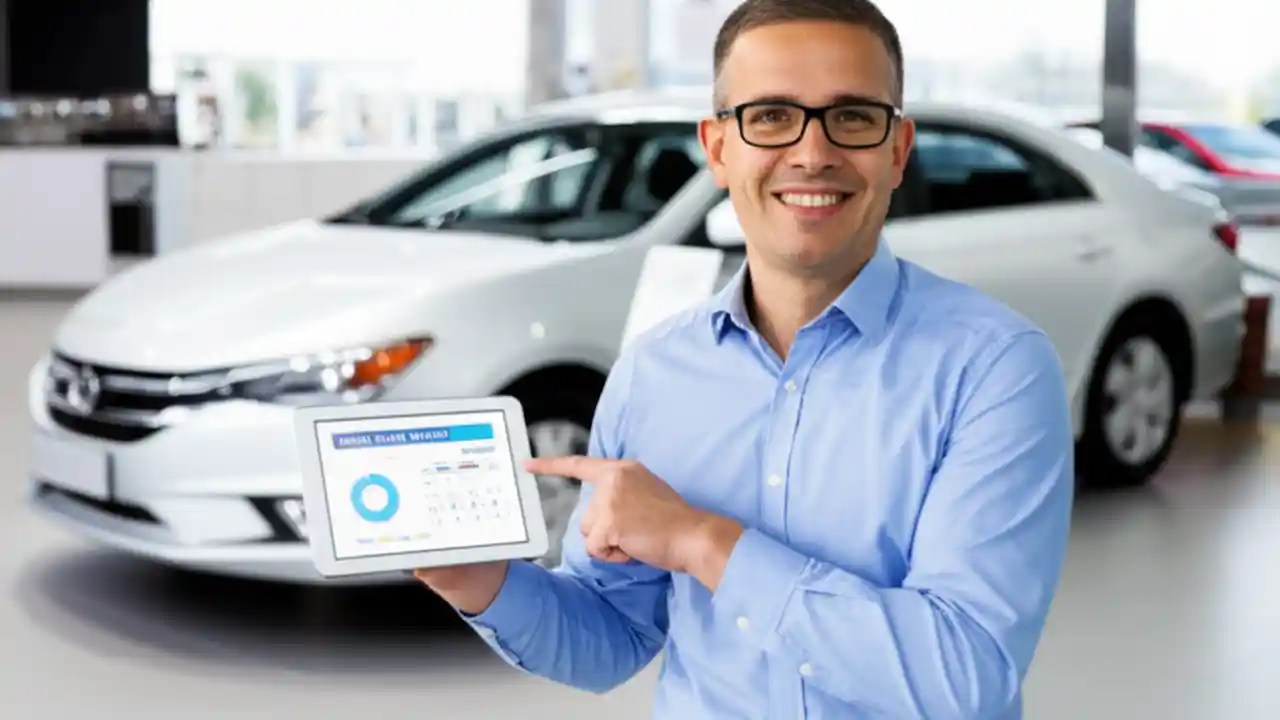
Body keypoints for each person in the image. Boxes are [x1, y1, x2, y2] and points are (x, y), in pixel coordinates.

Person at [414, 0, 1075, 716]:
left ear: (897, 149)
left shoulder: (995, 368)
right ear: (718, 148)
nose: (813, 152)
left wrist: (703, 542)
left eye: (852, 117)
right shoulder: (654, 371)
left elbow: (962, 678)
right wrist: (478, 580)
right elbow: (611, 638)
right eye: (770, 116)